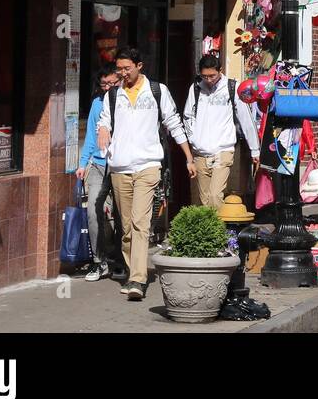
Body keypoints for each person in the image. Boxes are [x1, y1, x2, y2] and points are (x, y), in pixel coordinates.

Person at [96, 47, 195, 301]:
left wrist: (188, 157)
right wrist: (102, 130)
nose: (122, 73)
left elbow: (173, 123)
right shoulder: (113, 94)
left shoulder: (157, 91)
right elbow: (104, 120)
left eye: (126, 68)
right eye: (119, 68)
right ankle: (135, 270)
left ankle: (137, 280)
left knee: (141, 223)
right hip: (120, 168)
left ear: (139, 66)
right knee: (127, 228)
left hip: (148, 166)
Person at [184, 54, 260, 210]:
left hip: (223, 150)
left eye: (212, 75)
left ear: (220, 70)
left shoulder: (232, 87)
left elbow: (246, 120)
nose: (209, 80)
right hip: (200, 151)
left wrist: (255, 150)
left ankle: (218, 231)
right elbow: (187, 115)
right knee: (203, 200)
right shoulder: (196, 88)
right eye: (204, 76)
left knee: (214, 195)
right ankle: (210, 233)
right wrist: (193, 138)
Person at [75, 64, 121, 281]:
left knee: (122, 215)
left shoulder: (127, 103)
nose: (108, 88)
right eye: (104, 84)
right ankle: (98, 261)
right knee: (94, 212)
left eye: (112, 83)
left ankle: (119, 258)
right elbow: (91, 139)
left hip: (122, 165)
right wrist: (83, 163)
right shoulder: (97, 104)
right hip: (98, 164)